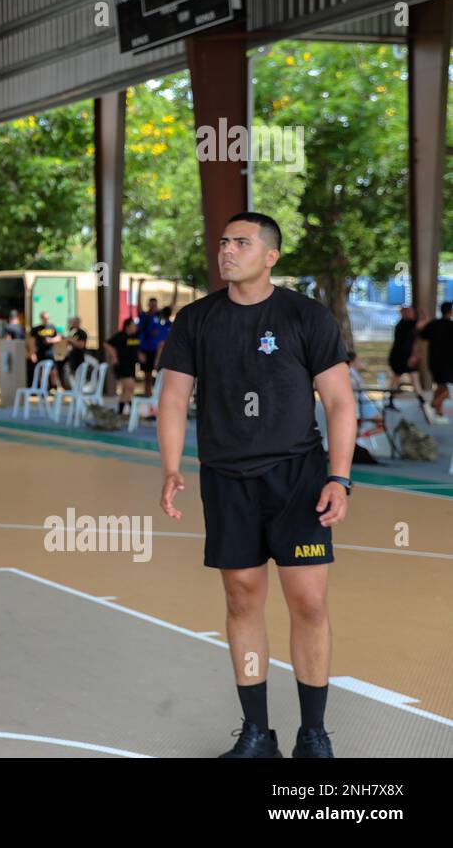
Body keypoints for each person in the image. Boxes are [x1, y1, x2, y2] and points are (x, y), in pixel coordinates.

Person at [156, 213, 354, 759]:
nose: (227, 251)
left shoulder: (305, 317)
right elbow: (173, 399)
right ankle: (255, 734)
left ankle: (312, 735)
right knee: (242, 598)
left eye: (241, 243)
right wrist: (173, 466)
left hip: (298, 477)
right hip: (227, 479)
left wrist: (340, 476)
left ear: (270, 256)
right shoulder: (196, 320)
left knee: (309, 601)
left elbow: (338, 402)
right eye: (223, 242)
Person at [419, 301, 453, 421]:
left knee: (440, 387)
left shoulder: (434, 324)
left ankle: (438, 413)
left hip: (433, 361)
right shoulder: (450, 326)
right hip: (448, 363)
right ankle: (432, 404)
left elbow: (422, 335)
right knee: (448, 391)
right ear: (450, 311)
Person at [104, 317, 143, 414]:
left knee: (127, 389)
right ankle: (125, 411)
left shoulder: (135, 336)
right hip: (121, 365)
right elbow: (106, 344)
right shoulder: (120, 336)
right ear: (127, 327)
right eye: (133, 325)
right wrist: (114, 356)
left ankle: (122, 411)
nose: (135, 327)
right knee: (130, 386)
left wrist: (140, 355)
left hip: (131, 366)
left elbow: (135, 348)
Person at [386, 306, 419, 393]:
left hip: (401, 356)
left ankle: (421, 398)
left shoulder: (404, 324)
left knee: (409, 378)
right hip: (401, 357)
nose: (412, 314)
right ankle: (389, 397)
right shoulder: (405, 325)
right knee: (398, 379)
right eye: (410, 312)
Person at [27, 311, 59, 389]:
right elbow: (32, 342)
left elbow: (58, 338)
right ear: (41, 318)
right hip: (40, 353)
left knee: (53, 371)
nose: (46, 320)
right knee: (42, 372)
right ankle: (43, 389)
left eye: (47, 318)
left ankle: (54, 388)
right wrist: (32, 353)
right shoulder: (36, 329)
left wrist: (51, 340)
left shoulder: (52, 327)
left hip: (50, 353)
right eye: (45, 318)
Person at [59, 315, 89, 389]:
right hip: (71, 359)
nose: (73, 324)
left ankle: (79, 392)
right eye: (72, 322)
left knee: (79, 378)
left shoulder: (82, 333)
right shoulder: (72, 332)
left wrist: (71, 340)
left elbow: (81, 345)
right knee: (71, 378)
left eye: (75, 322)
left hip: (79, 358)